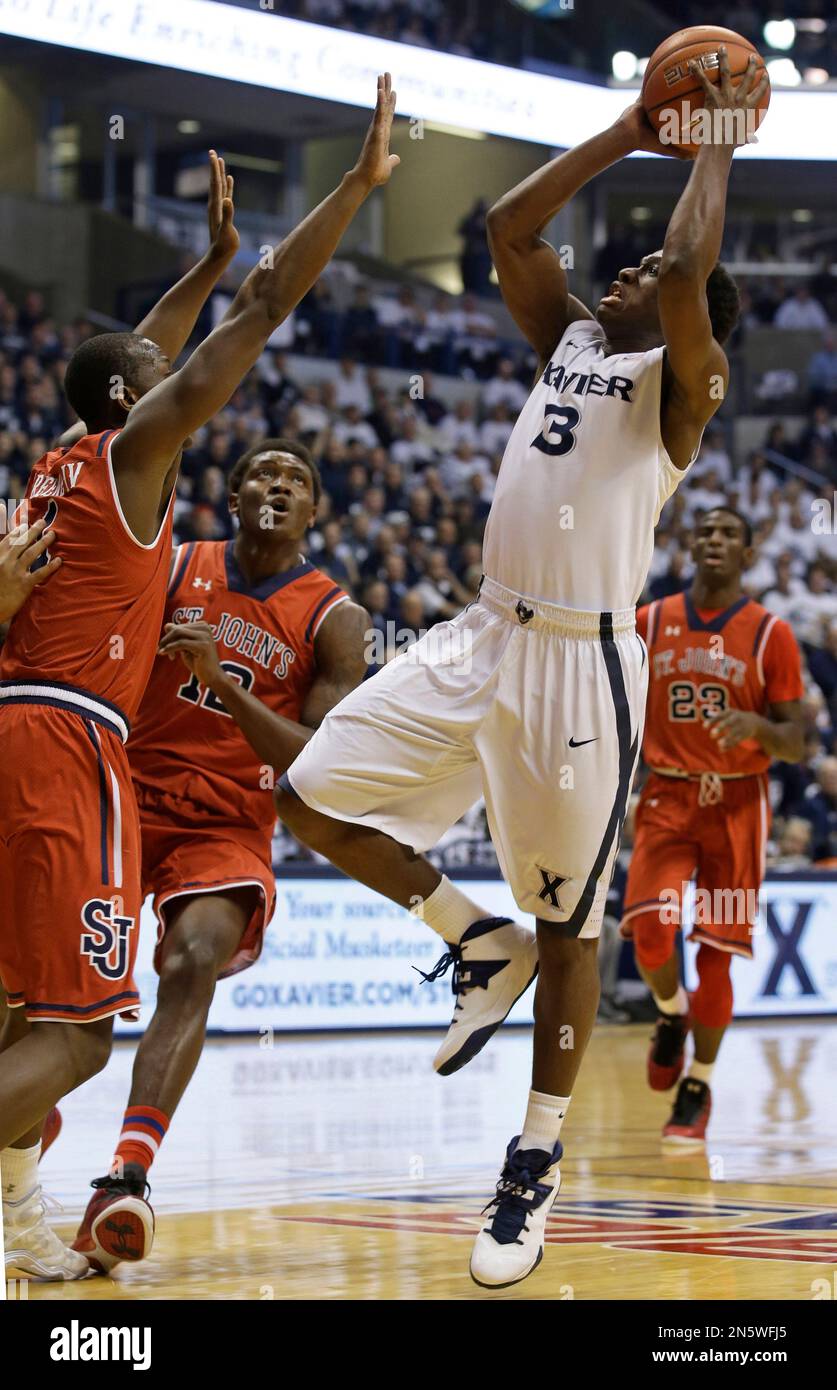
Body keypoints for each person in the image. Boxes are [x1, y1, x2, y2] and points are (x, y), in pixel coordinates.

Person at [272, 48, 763, 1288]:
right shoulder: (575, 338)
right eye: (627, 266)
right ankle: (468, 938)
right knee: (310, 796)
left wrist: (713, 146)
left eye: (646, 272)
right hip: (482, 630)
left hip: (582, 665)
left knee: (572, 926)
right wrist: (630, 128)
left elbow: (689, 271)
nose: (628, 271)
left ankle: (534, 1156)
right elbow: (509, 225)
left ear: (697, 322)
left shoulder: (686, 385)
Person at [0, 76, 398, 1279]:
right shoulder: (135, 462)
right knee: (75, 1033)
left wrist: (208, 260)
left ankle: (51, 1195)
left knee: (33, 1004)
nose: (170, 360)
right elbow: (264, 310)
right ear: (141, 403)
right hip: (77, 746)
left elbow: (144, 351)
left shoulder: (67, 459)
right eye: (155, 366)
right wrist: (353, 187)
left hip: (58, 737)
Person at [71, 439, 367, 1273]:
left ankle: (127, 1177)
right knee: (53, 987)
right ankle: (29, 1125)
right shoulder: (170, 564)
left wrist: (224, 681)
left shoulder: (335, 618)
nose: (278, 485)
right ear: (233, 496)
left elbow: (311, 760)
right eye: (261, 473)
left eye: (296, 479)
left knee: (193, 958)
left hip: (226, 825)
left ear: (314, 511)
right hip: (121, 794)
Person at [620, 508, 804, 1143]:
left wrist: (760, 728)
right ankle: (672, 1014)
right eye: (706, 531)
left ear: (749, 555)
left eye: (729, 533)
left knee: (717, 956)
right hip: (668, 795)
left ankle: (697, 1084)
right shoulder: (650, 621)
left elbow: (798, 742)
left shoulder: (771, 634)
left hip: (737, 804)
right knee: (651, 931)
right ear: (691, 546)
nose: (715, 539)